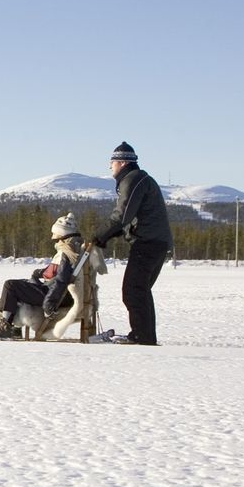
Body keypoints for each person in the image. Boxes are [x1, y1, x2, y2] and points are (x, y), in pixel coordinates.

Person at [93, 141, 172, 345]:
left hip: (148, 243)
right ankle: (145, 336)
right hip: (155, 242)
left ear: (121, 162)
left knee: (133, 290)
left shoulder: (132, 179)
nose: (110, 167)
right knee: (140, 290)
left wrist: (101, 235)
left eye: (111, 163)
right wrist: (113, 233)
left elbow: (123, 214)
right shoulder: (139, 179)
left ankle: (142, 337)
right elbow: (130, 217)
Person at [0, 213, 85, 339]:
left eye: (55, 233)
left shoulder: (66, 251)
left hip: (54, 294)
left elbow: (61, 280)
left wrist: (50, 302)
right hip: (61, 294)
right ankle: (16, 330)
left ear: (62, 233)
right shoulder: (74, 248)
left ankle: (5, 326)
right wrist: (40, 273)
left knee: (10, 285)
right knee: (23, 284)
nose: (53, 236)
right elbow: (57, 272)